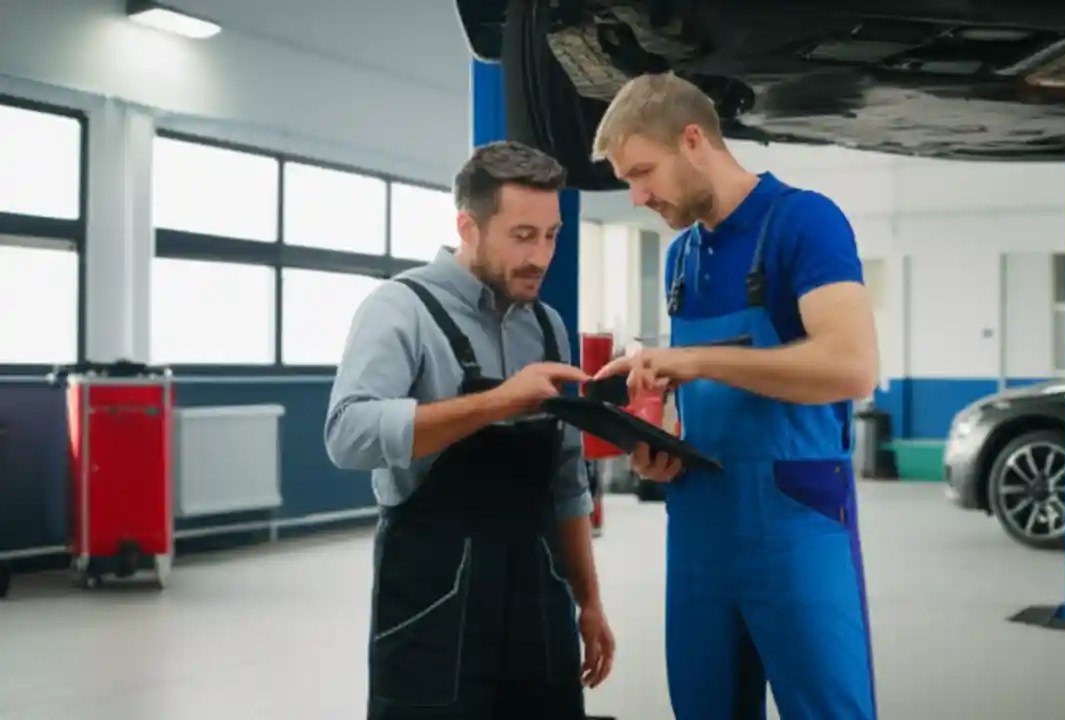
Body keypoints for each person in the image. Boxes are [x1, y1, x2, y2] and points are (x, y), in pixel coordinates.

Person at [591, 72, 882, 719]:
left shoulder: (804, 222)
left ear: (694, 140)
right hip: (699, 524)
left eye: (643, 172)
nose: (637, 196)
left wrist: (694, 359)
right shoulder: (681, 260)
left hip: (794, 521)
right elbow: (712, 399)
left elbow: (853, 365)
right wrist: (659, 447)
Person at [325, 141, 615, 720]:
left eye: (551, 235)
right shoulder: (400, 309)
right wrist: (496, 402)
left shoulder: (549, 326)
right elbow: (347, 434)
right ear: (469, 226)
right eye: (523, 235)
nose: (541, 256)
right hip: (435, 605)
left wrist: (588, 601)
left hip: (537, 601)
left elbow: (565, 483)